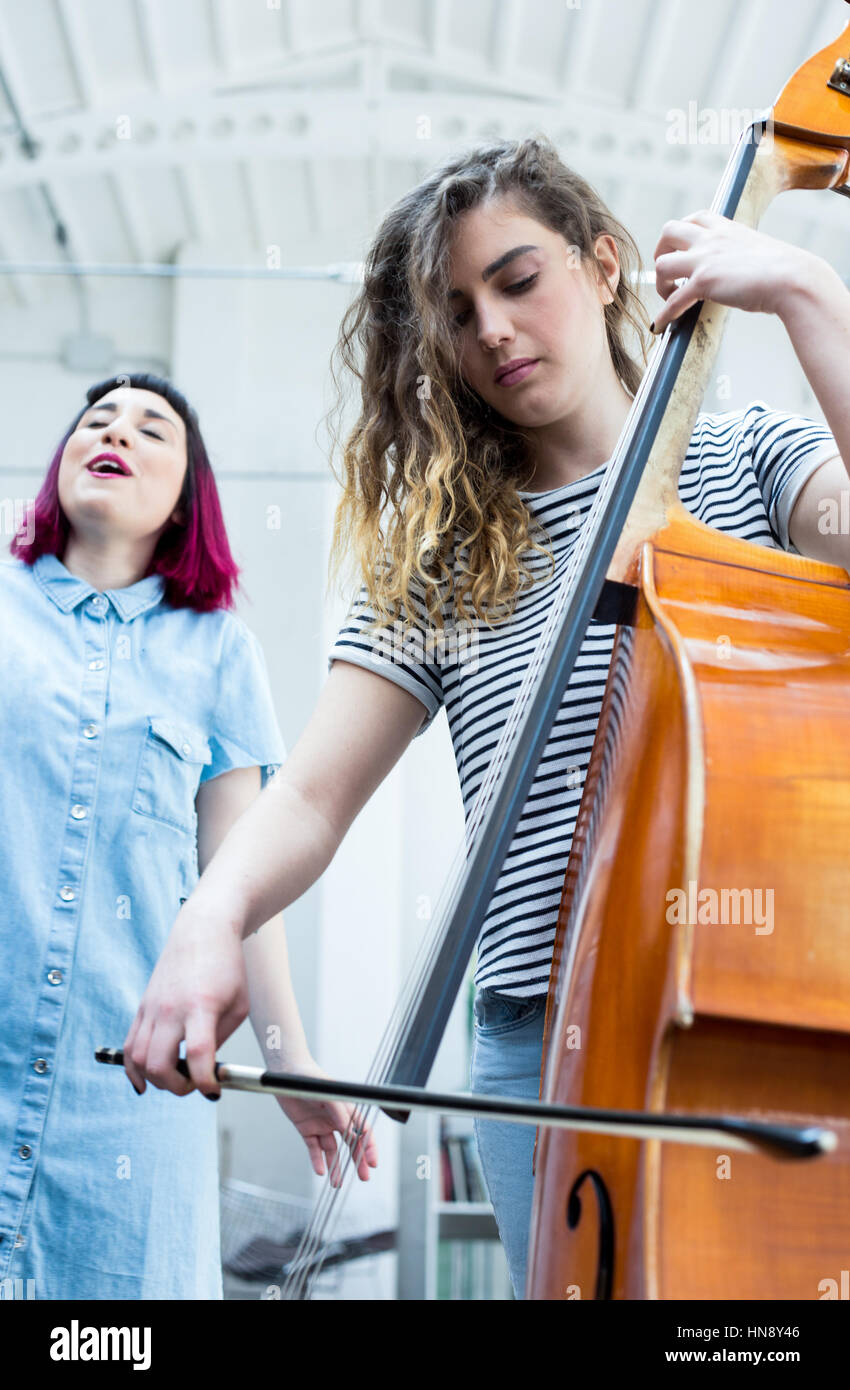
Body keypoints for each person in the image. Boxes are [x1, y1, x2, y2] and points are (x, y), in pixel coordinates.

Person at [123, 137, 850, 1298]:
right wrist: (209, 918)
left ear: (603, 263)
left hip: (760, 994)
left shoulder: (746, 457)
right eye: (458, 313)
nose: (494, 330)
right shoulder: (446, 557)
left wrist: (811, 293)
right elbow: (310, 793)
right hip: (535, 1036)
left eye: (518, 280)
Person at [0, 372, 374, 1301]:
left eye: (150, 429)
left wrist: (288, 1057)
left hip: (128, 1098)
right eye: (95, 421)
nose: (114, 432)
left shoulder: (217, 651)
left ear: (184, 500)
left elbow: (241, 877)